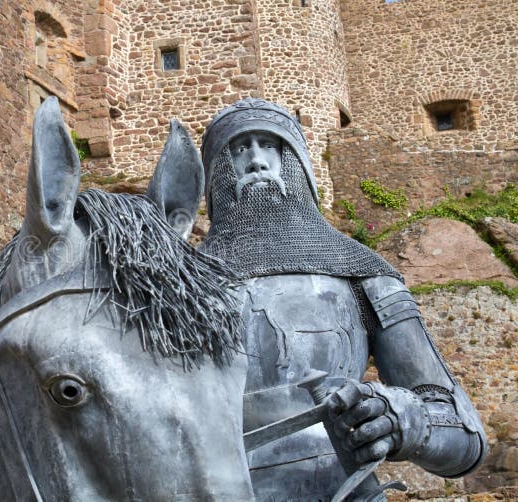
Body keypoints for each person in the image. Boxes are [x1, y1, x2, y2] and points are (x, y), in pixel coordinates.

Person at [200, 98, 487, 501]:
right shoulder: (181, 281)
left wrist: (401, 416)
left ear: (297, 163)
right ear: (216, 174)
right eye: (239, 149)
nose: (257, 161)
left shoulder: (361, 273)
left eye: (270, 145)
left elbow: (466, 437)